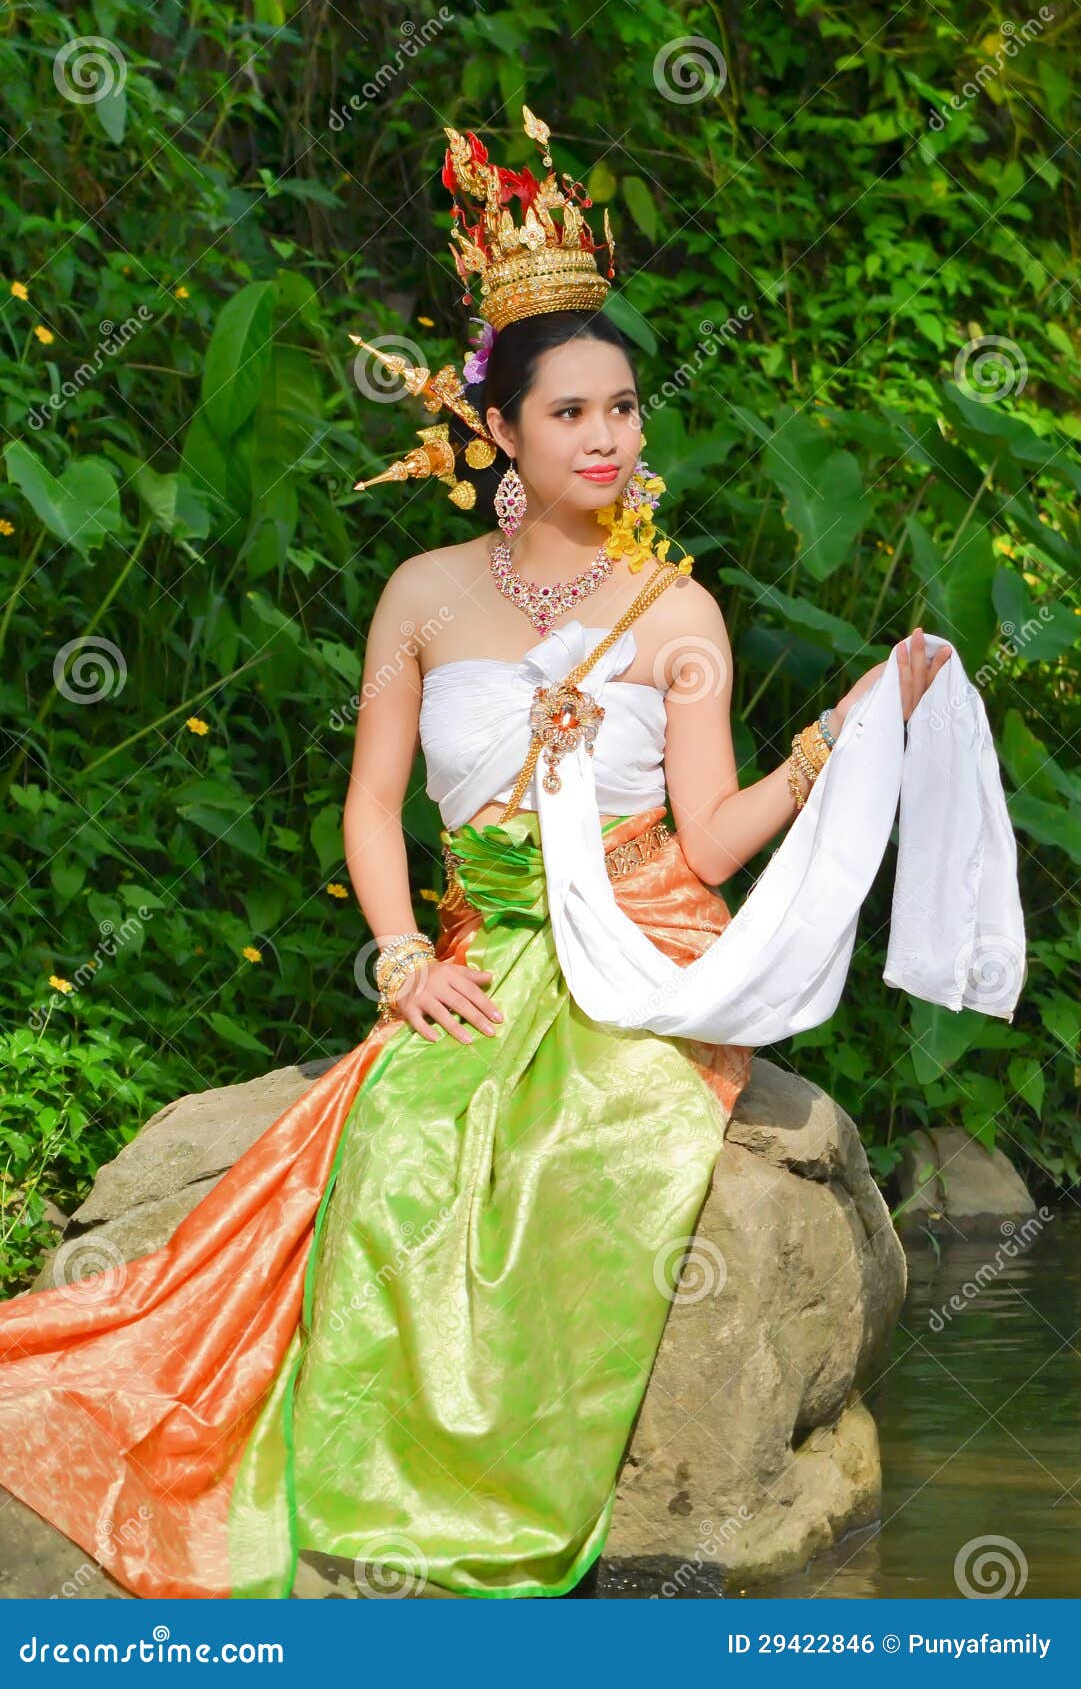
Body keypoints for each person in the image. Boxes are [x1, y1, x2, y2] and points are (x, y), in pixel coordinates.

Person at [0, 106, 1017, 1603]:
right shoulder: (420, 592)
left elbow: (712, 831)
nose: (608, 438)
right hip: (478, 945)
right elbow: (369, 802)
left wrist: (836, 738)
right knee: (404, 1134)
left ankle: (496, 1509)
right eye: (571, 415)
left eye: (624, 409)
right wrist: (401, 950)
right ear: (498, 432)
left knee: (589, 1146)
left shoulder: (675, 614)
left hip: (637, 941)